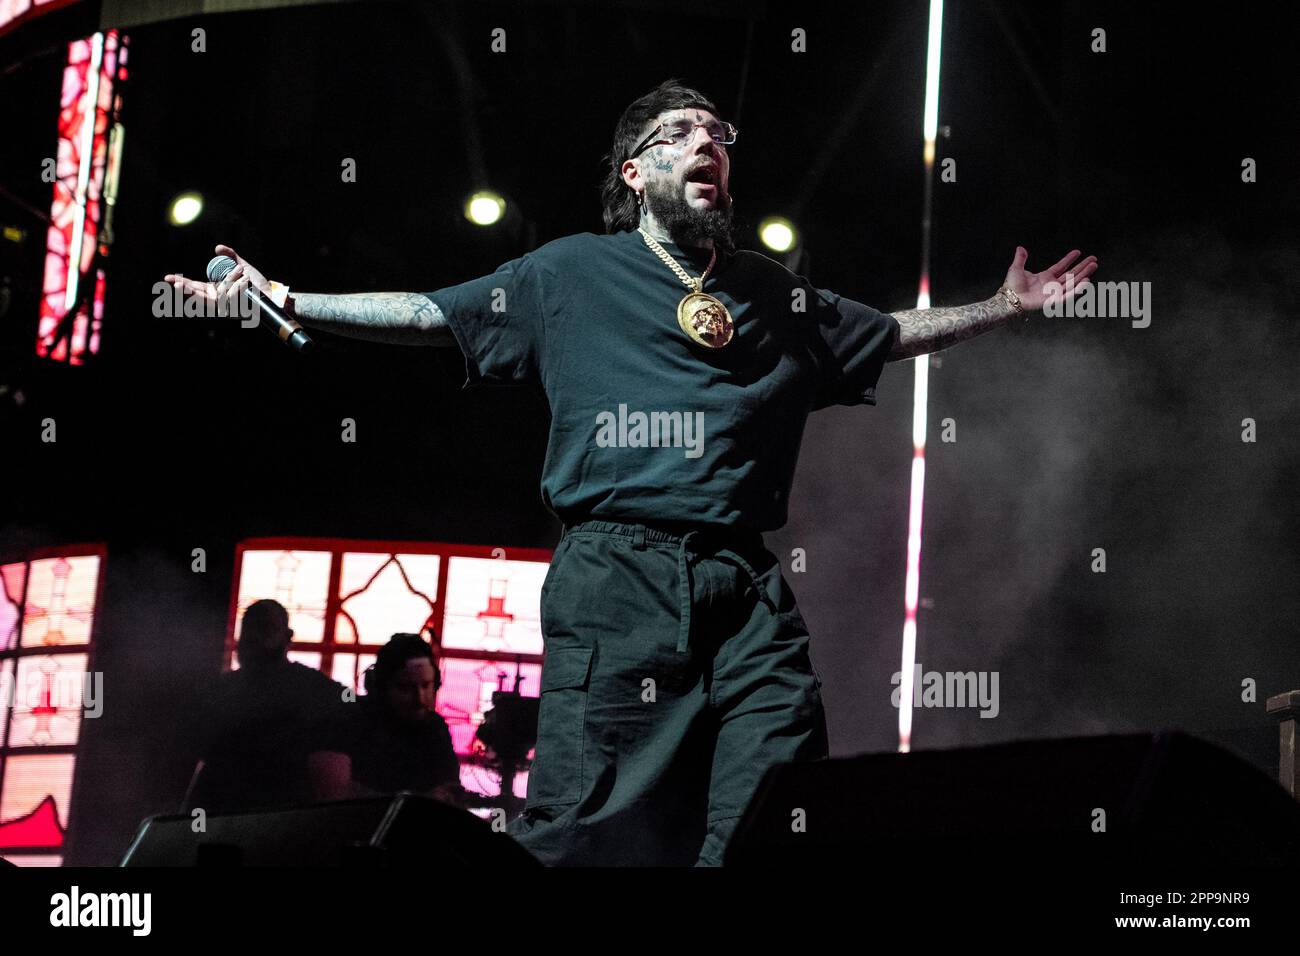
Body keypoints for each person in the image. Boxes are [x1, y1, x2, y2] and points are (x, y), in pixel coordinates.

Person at [164, 79, 1097, 865]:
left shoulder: (772, 290)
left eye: (718, 134)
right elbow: (425, 313)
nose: (708, 144)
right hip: (619, 578)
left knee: (775, 802)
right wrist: (280, 297)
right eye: (679, 134)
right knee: (584, 823)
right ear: (634, 172)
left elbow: (888, 335)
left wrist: (999, 309)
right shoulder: (568, 273)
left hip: (746, 585)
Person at [187, 599, 352, 812]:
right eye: (249, 629)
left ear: (287, 636)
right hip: (228, 810)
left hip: (280, 812)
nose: (255, 637)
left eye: (265, 628)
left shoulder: (316, 690)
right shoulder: (218, 690)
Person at [339, 633, 466, 806]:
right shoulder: (355, 723)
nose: (420, 699)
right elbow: (342, 793)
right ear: (382, 688)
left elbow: (450, 788)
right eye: (405, 688)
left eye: (426, 685)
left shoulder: (436, 728)